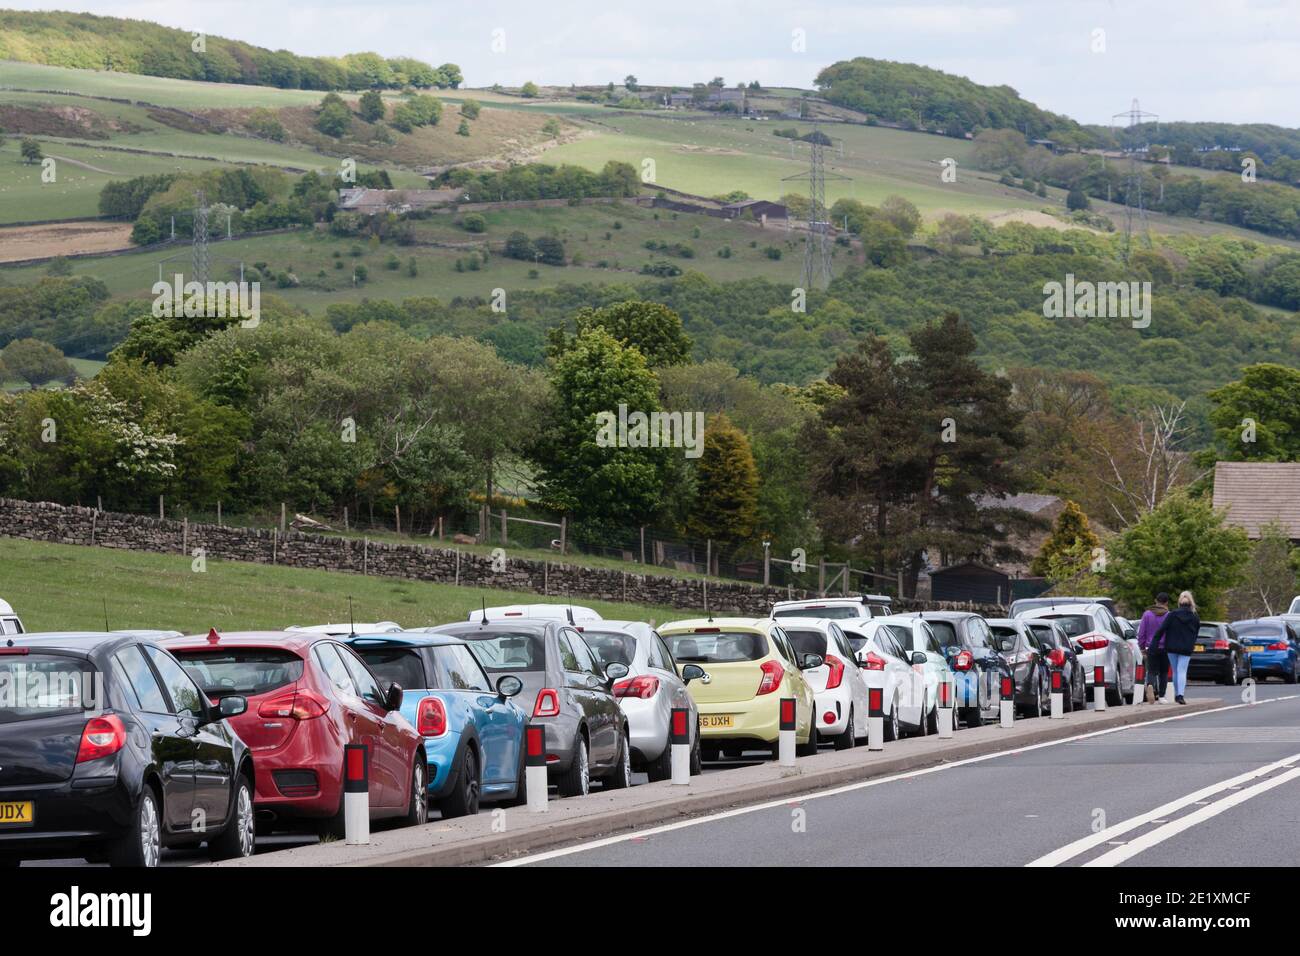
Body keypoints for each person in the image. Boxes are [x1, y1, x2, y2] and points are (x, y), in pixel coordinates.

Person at [1149, 590, 1200, 705]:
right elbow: (1196, 633)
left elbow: (1162, 629)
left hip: (1171, 646)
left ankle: (1177, 694)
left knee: (1175, 670)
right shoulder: (1195, 617)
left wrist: (1154, 643)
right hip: (1186, 647)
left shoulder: (1172, 614)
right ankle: (1180, 695)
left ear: (1179, 602)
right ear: (1191, 602)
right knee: (1182, 670)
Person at [1136, 592, 1170, 702]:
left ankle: (1150, 685)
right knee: (1164, 672)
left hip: (1151, 647)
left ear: (1156, 601)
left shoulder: (1147, 614)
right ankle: (1161, 696)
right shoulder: (1169, 615)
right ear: (1166, 602)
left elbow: (1141, 633)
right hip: (1165, 647)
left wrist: (1141, 646)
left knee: (1151, 671)